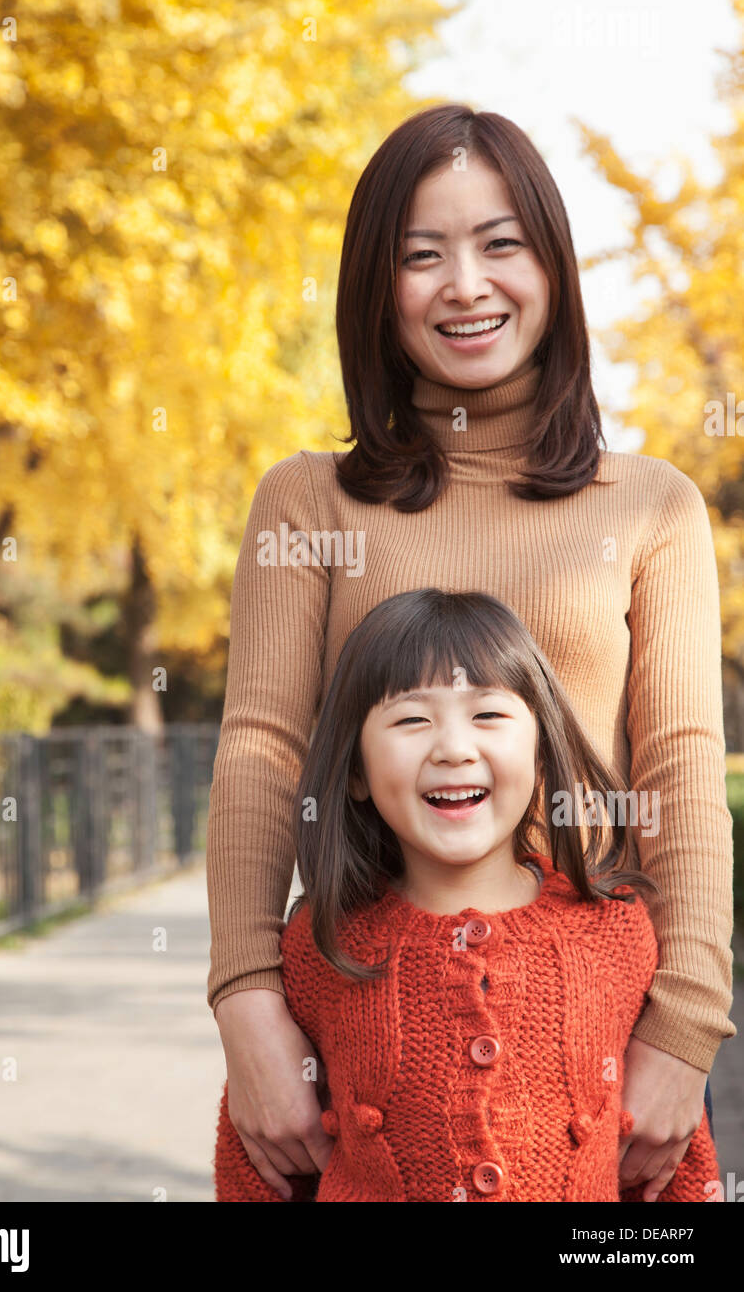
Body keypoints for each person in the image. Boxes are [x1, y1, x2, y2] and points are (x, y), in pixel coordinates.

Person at [208, 104, 735, 1202]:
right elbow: (262, 746)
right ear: (374, 285)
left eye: (500, 243)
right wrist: (248, 999)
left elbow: (678, 767)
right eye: (420, 254)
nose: (464, 284)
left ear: (550, 263)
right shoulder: (308, 500)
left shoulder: (652, 506)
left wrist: (682, 1029)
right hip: (368, 1030)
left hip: (596, 1029)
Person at [213, 588, 720, 1201]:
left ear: (538, 752)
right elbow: (258, 1169)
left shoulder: (612, 933)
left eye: (488, 715)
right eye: (411, 719)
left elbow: (677, 1173)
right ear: (354, 772)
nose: (454, 748)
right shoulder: (321, 948)